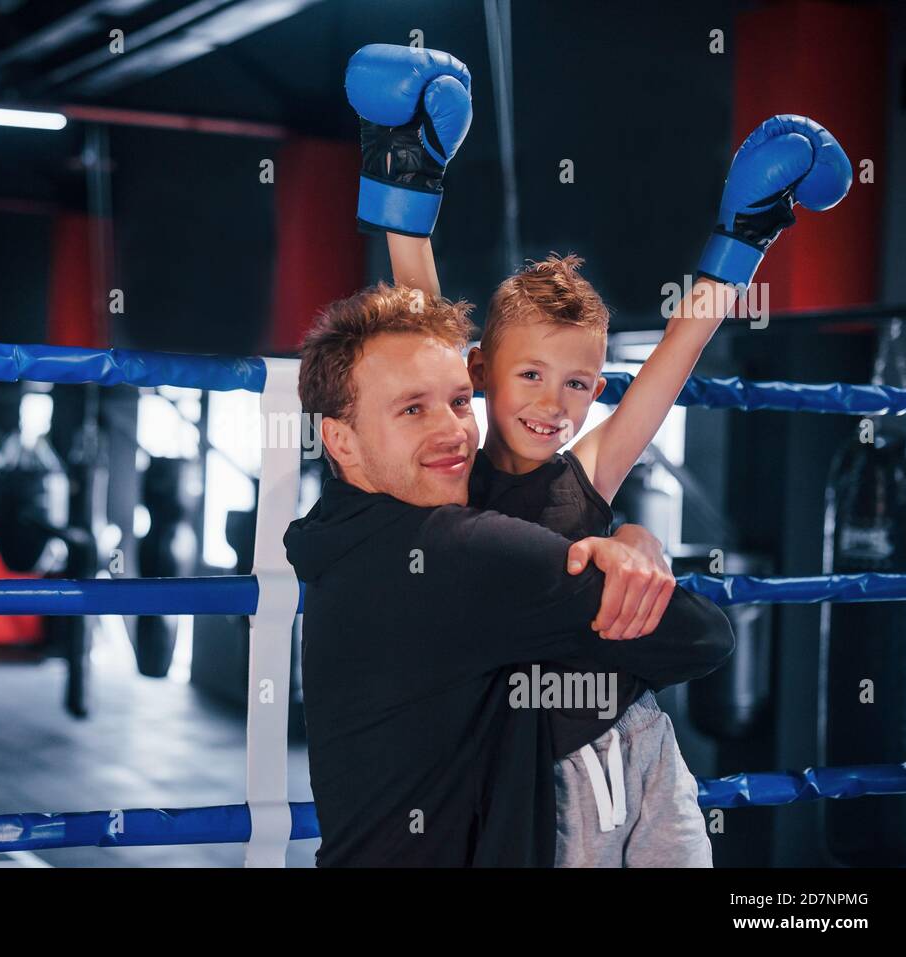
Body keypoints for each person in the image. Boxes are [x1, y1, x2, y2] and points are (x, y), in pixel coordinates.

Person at [346, 42, 851, 864]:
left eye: (578, 384)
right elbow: (424, 324)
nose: (553, 404)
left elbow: (678, 353)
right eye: (531, 376)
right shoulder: (454, 475)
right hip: (551, 768)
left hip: (648, 739)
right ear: (480, 375)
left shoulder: (591, 467)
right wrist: (406, 181)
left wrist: (744, 234)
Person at [284, 282, 734, 866]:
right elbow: (701, 635)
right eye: (412, 409)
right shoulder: (457, 546)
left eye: (456, 402)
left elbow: (424, 329)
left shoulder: (337, 535)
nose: (451, 432)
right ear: (339, 439)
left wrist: (628, 542)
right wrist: (628, 556)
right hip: (575, 773)